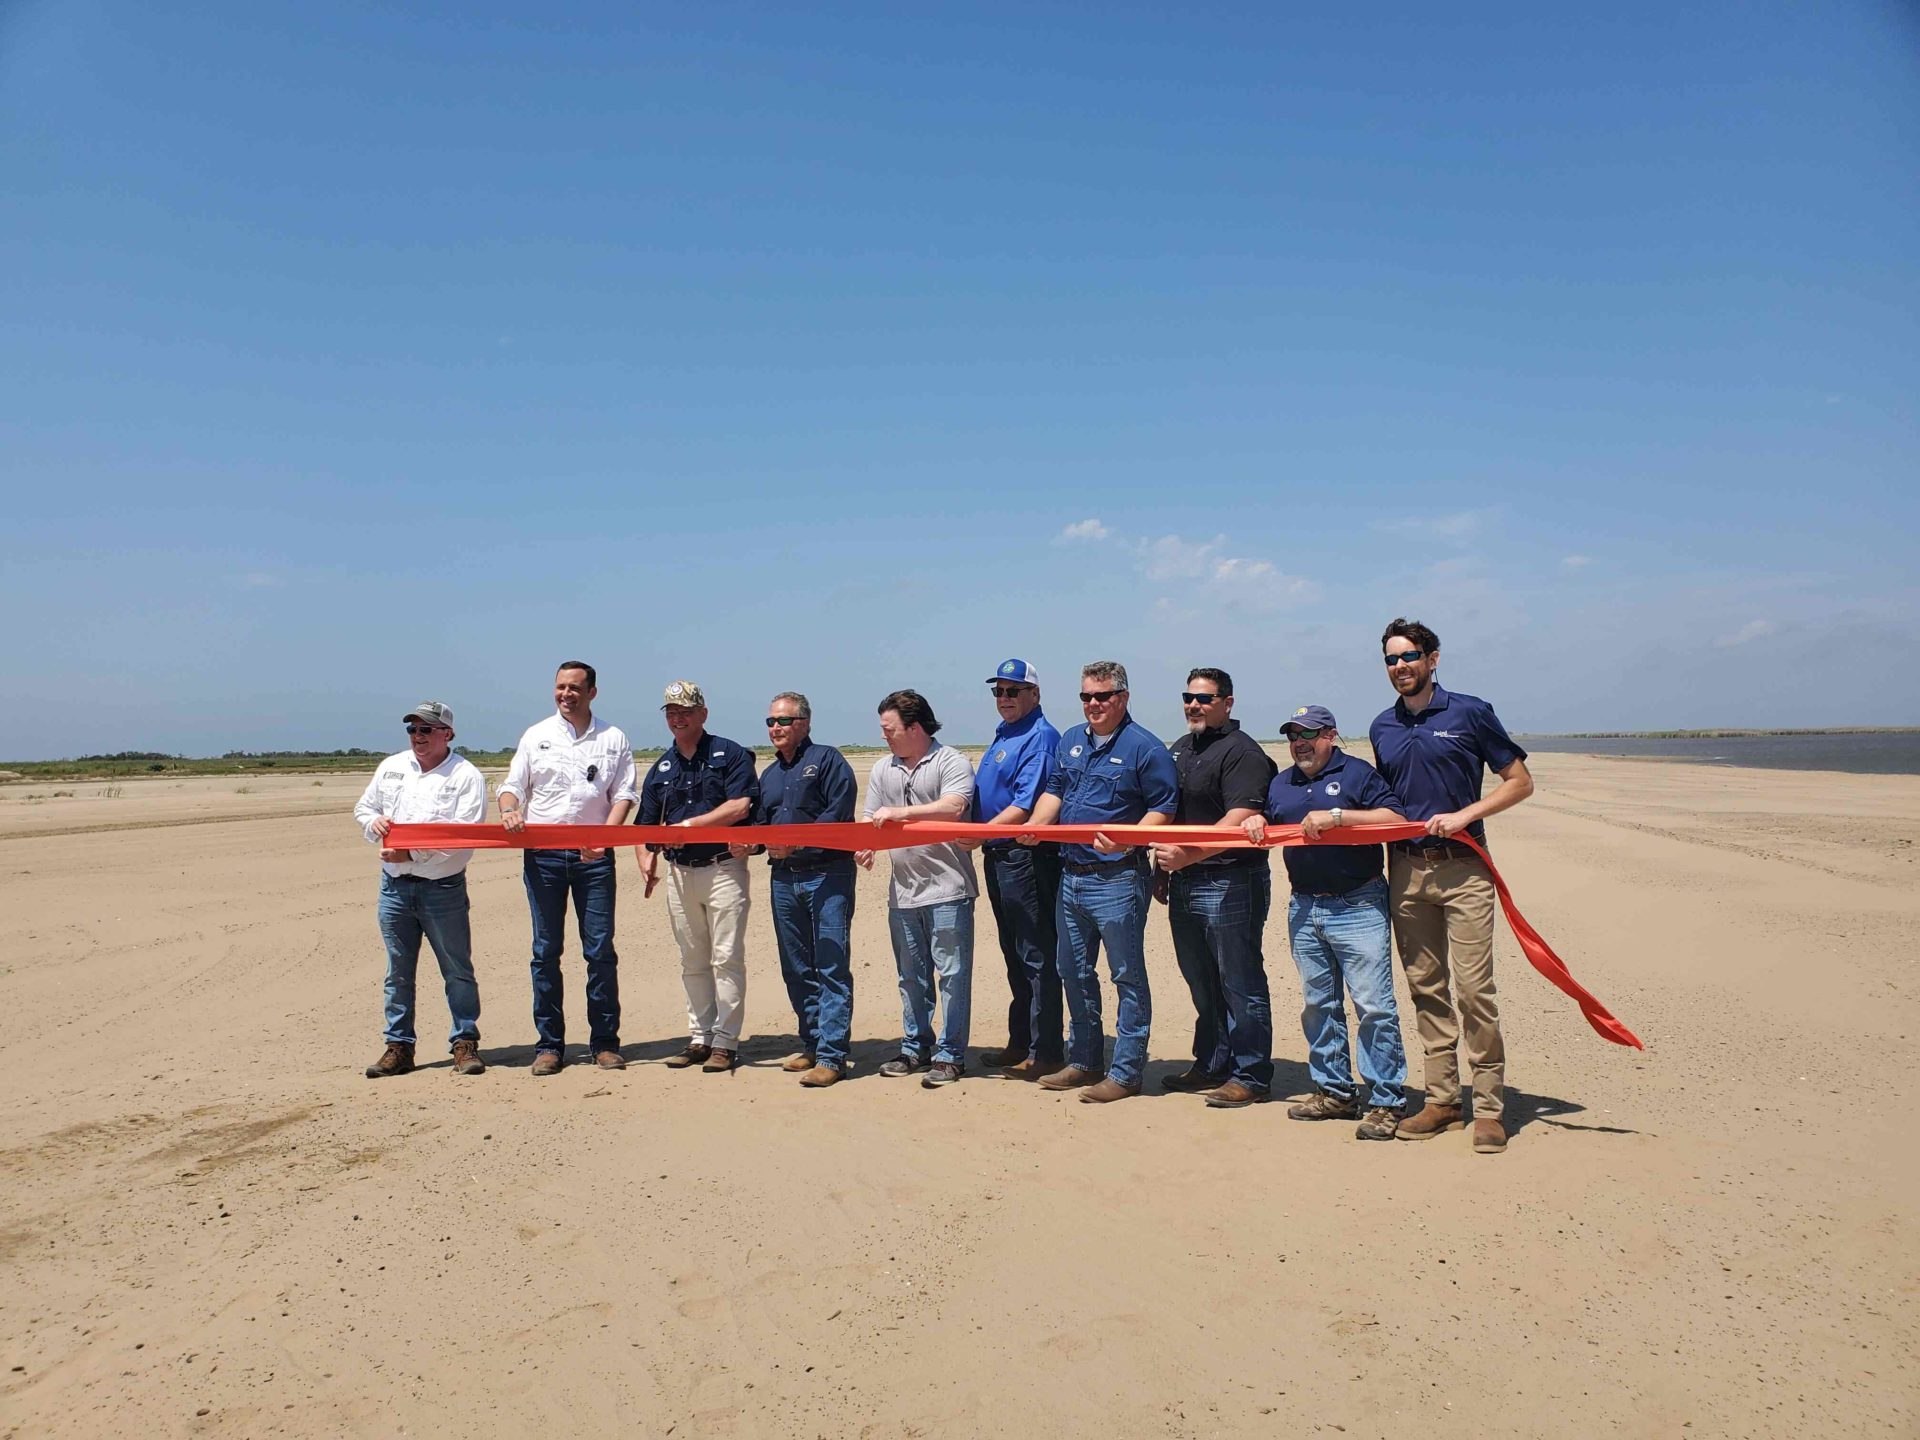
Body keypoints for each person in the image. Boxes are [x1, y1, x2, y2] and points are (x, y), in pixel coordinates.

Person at [1368, 619, 1534, 1154]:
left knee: (1474, 991)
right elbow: (1386, 804)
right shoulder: (1382, 726)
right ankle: (1441, 1099)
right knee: (1426, 988)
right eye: (1391, 659)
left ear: (1433, 658)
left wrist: (1466, 814)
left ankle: (1488, 1108)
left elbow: (1520, 783)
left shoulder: (1469, 711)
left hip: (1465, 869)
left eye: (1409, 656)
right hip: (1407, 872)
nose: (1400, 667)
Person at [1244, 705, 1409, 1140]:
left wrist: (1338, 818)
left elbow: (1395, 820)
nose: (1301, 742)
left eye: (1310, 734)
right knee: (1320, 1006)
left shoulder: (1357, 774)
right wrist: (1257, 819)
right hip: (1304, 907)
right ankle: (1334, 1091)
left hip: (1359, 904)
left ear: (1330, 735)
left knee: (1373, 1006)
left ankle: (1386, 1101)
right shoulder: (1282, 782)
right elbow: (1267, 821)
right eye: (1294, 735)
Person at [1021, 661, 1178, 1103]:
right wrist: (1037, 824)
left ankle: (1126, 1073)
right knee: (1072, 971)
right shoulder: (1071, 741)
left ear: (1122, 698)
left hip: (1118, 879)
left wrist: (1128, 841)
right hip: (1071, 877)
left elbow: (1163, 808)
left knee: (1126, 975)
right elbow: (1055, 789)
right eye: (1086, 697)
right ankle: (1086, 1061)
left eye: (1102, 696)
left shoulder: (1145, 749)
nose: (1093, 705)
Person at [498, 661, 637, 1077]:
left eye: (575, 688)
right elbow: (512, 786)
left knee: (599, 952)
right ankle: (549, 1046)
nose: (566, 695)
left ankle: (605, 1043)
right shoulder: (536, 735)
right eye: (560, 687)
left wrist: (605, 839)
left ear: (592, 692)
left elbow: (624, 794)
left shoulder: (613, 738)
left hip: (594, 860)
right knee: (545, 952)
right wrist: (509, 810)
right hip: (543, 858)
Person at [1149, 668, 1277, 1110]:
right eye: (1189, 697)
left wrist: (1188, 855)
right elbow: (1168, 814)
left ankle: (1252, 1073)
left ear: (1228, 702)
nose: (1194, 705)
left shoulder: (1243, 753)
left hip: (1231, 879)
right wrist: (1165, 868)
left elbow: (1239, 818)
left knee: (1239, 980)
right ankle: (1212, 1062)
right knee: (1201, 982)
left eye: (1204, 698)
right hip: (1185, 882)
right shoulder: (1181, 749)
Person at [355, 701, 489, 1079]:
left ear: (448, 733)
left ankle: (464, 1043)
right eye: (413, 730)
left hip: (441, 889)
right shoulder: (391, 767)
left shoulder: (466, 776)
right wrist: (375, 823)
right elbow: (363, 809)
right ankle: (399, 1046)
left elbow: (464, 834)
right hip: (394, 888)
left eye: (427, 729)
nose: (418, 736)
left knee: (457, 969)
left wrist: (412, 851)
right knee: (397, 972)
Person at [729, 692, 856, 1088]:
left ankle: (833, 1055)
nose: (775, 729)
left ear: (804, 722)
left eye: (783, 721)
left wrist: (798, 843)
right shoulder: (769, 775)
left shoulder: (828, 760)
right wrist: (749, 843)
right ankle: (814, 1043)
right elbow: (760, 824)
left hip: (827, 875)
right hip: (784, 878)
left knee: (831, 964)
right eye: (770, 722)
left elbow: (838, 815)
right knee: (797, 967)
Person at [637, 681, 759, 1075]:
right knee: (692, 960)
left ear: (703, 714)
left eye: (685, 710)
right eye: (671, 711)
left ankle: (725, 1041)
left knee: (726, 957)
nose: (678, 717)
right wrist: (646, 861)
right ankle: (700, 1037)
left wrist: (690, 826)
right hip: (679, 873)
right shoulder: (662, 767)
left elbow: (740, 806)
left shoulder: (730, 754)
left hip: (723, 868)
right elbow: (645, 826)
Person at [859, 689, 977, 1090]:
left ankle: (950, 1055)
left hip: (949, 890)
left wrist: (902, 813)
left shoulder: (952, 761)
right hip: (903, 893)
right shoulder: (881, 769)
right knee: (911, 977)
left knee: (952, 976)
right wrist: (866, 844)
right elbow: (870, 816)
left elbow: (954, 806)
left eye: (890, 729)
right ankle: (914, 1046)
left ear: (915, 727)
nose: (885, 737)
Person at [967, 659, 1065, 1079]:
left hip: (1024, 857)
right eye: (998, 692)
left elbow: (1024, 806)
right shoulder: (1006, 734)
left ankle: (1046, 1050)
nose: (1004, 699)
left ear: (1035, 695)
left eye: (1013, 691)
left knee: (1036, 953)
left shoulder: (1040, 737)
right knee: (1013, 952)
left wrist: (981, 834)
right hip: (998, 856)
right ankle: (1020, 1040)